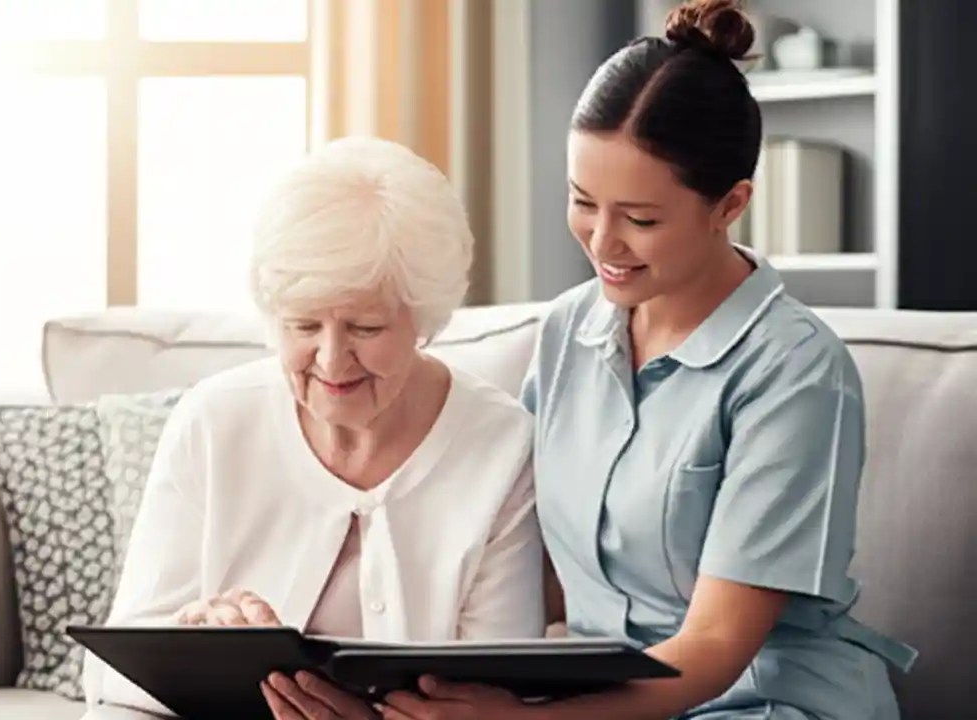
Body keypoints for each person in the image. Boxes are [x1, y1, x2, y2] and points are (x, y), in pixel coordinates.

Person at [378, 1, 917, 719]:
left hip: (761, 700)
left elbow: (717, 647)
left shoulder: (796, 371)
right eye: (583, 202)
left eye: (641, 218)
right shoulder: (569, 330)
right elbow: (522, 553)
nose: (603, 241)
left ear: (730, 204)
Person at [78, 136, 546, 720]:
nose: (331, 360)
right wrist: (197, 639)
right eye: (303, 326)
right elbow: (113, 675)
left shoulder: (500, 445)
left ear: (423, 317)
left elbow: (496, 692)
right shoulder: (213, 422)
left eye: (365, 328)